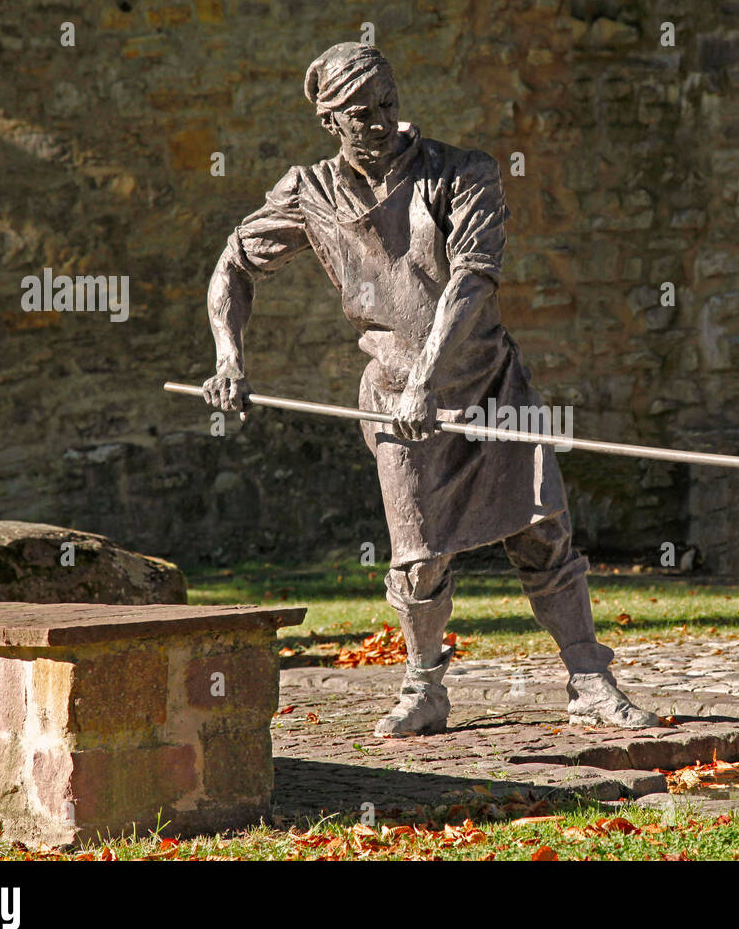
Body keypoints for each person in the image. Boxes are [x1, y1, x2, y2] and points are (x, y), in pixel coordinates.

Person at [202, 42, 657, 736]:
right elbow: (233, 264)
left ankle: (589, 677)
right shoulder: (310, 193)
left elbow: (472, 277)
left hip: (487, 384)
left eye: (388, 102)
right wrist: (229, 357)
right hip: (393, 400)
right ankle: (424, 688)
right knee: (417, 556)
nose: (382, 119)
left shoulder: (462, 172)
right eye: (362, 112)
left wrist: (430, 379)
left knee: (542, 531)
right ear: (330, 120)